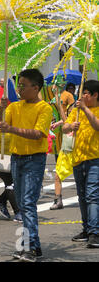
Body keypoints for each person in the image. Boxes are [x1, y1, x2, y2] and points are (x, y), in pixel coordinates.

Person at [0, 69, 53, 262]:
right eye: (18, 85)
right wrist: (1, 109)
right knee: (21, 205)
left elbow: (38, 134)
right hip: (17, 158)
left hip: (34, 159)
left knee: (28, 203)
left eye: (23, 85)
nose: (19, 88)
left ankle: (29, 247)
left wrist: (11, 129)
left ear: (35, 88)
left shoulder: (44, 108)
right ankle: (32, 247)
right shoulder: (14, 106)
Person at [62, 80, 99, 249]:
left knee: (92, 195)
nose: (81, 96)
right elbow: (64, 128)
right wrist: (71, 125)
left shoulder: (90, 109)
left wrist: (84, 109)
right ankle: (87, 229)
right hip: (78, 158)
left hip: (95, 159)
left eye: (85, 93)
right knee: (82, 196)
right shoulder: (76, 111)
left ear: (95, 95)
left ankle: (94, 232)